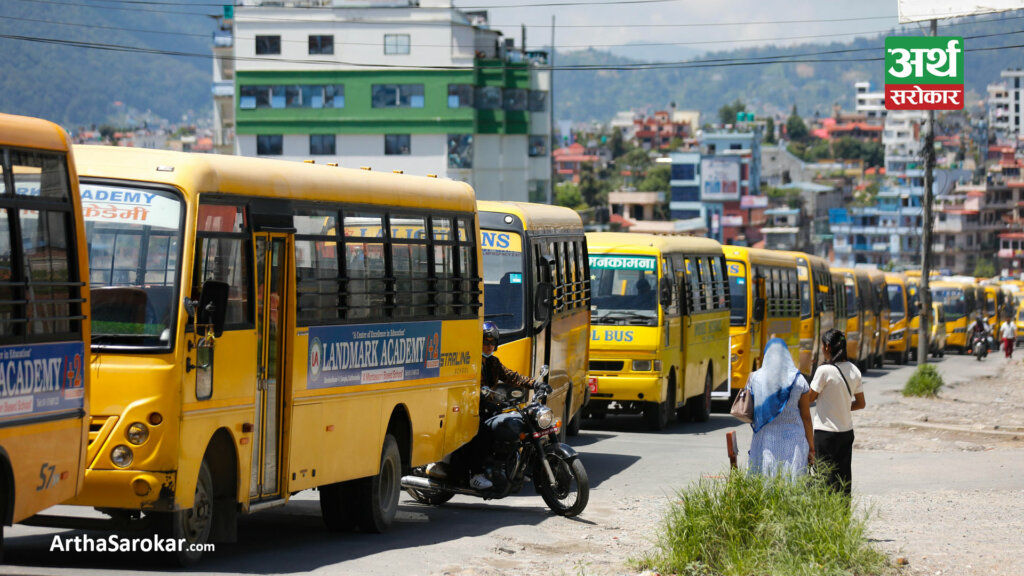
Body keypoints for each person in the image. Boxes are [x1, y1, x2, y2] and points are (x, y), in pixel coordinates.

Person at [431, 321, 534, 490]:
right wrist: (480, 393)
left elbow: (512, 377)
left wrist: (534, 384)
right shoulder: (470, 362)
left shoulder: (493, 362)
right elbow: (465, 385)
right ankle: (476, 475)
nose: (489, 346)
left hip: (485, 408)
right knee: (484, 434)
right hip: (466, 410)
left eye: (493, 342)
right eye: (486, 342)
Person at [808, 329, 865, 497]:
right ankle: (843, 512)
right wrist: (842, 405)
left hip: (825, 433)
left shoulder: (824, 371)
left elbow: (809, 398)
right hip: (846, 432)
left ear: (827, 347)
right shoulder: (854, 370)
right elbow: (861, 403)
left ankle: (825, 511)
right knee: (843, 480)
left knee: (824, 479)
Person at [746, 338, 814, 478]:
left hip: (764, 442)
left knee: (764, 481)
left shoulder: (754, 378)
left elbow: (752, 410)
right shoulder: (798, 380)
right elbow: (806, 417)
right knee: (792, 482)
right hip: (793, 442)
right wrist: (812, 447)